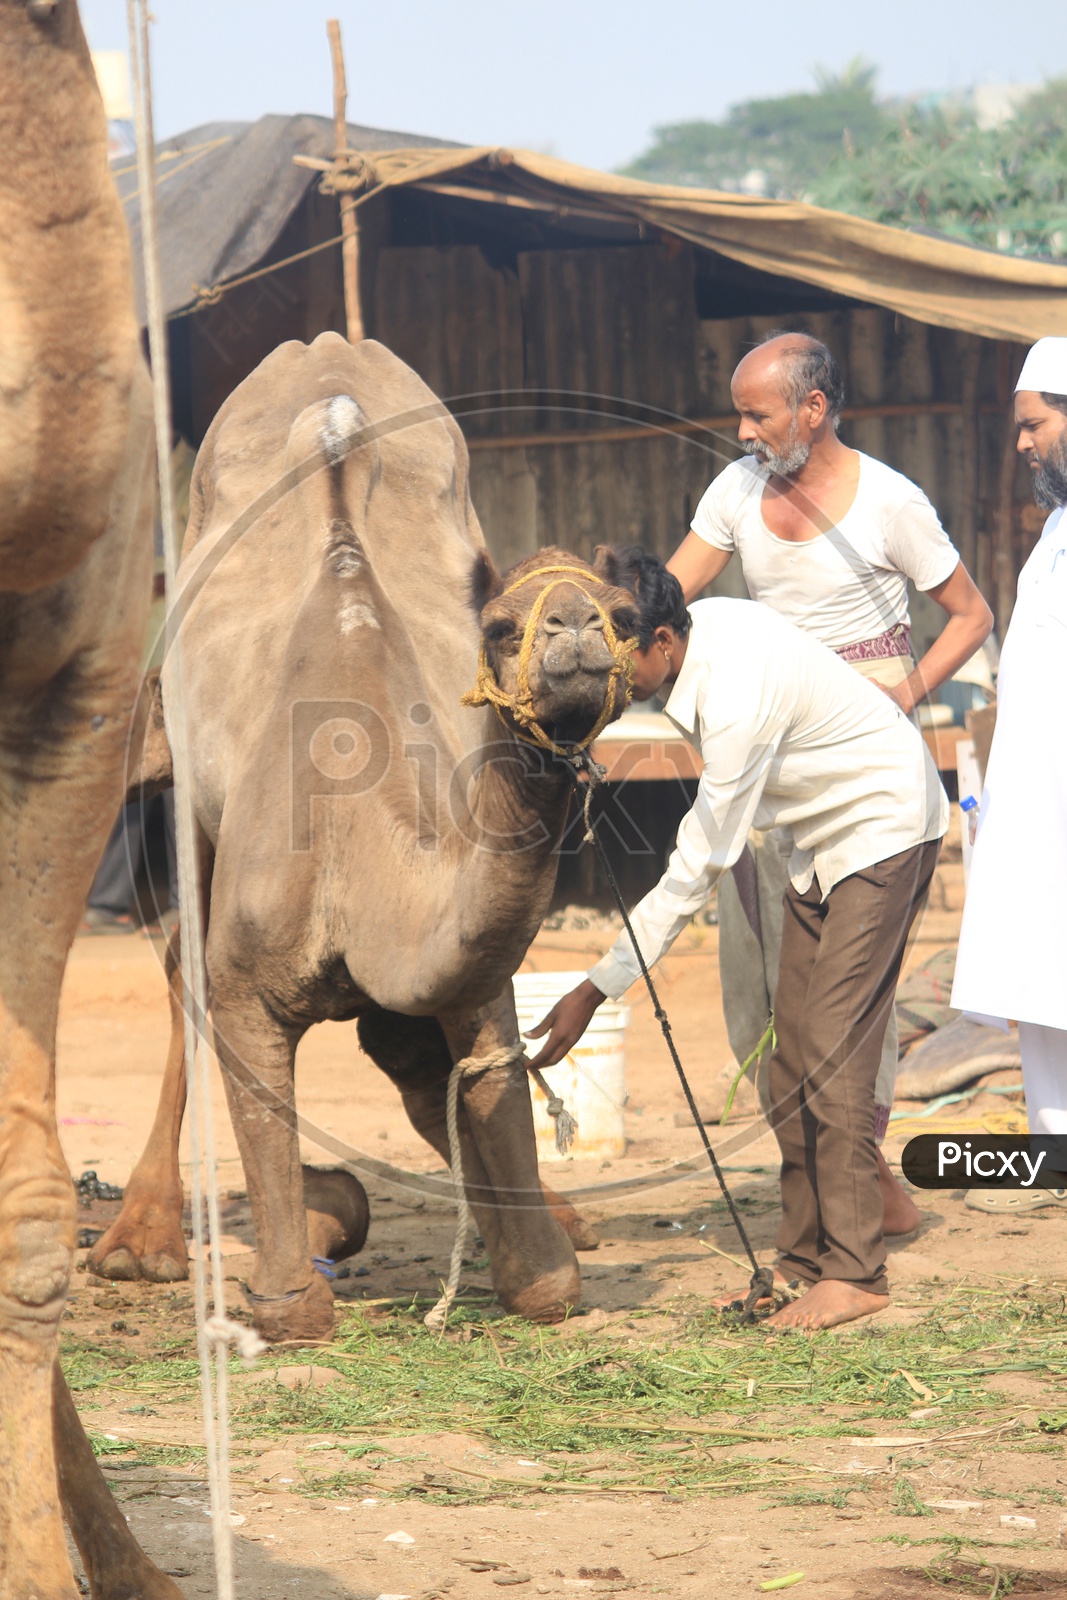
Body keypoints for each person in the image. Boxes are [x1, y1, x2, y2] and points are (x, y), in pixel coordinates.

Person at [528, 551, 947, 1330]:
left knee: (831, 1049)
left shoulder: (731, 700)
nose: (613, 679)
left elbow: (697, 864)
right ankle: (801, 1260)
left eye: (621, 662)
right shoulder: (702, 634)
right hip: (817, 843)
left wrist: (596, 987)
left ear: (661, 640)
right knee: (788, 1058)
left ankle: (856, 1272)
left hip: (884, 827)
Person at [665, 332, 992, 1229]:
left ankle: (855, 1186)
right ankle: (830, 1180)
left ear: (812, 409)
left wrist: (904, 695)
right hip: (767, 763)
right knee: (758, 985)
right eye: (737, 414)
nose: (741, 432)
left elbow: (970, 615)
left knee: (846, 991)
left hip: (861, 771)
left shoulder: (890, 502)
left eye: (756, 414)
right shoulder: (734, 491)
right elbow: (668, 596)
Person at [951, 337, 1067, 1195]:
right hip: (1036, 814)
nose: (1022, 443)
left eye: (1034, 425)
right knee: (1043, 995)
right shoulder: (1053, 531)